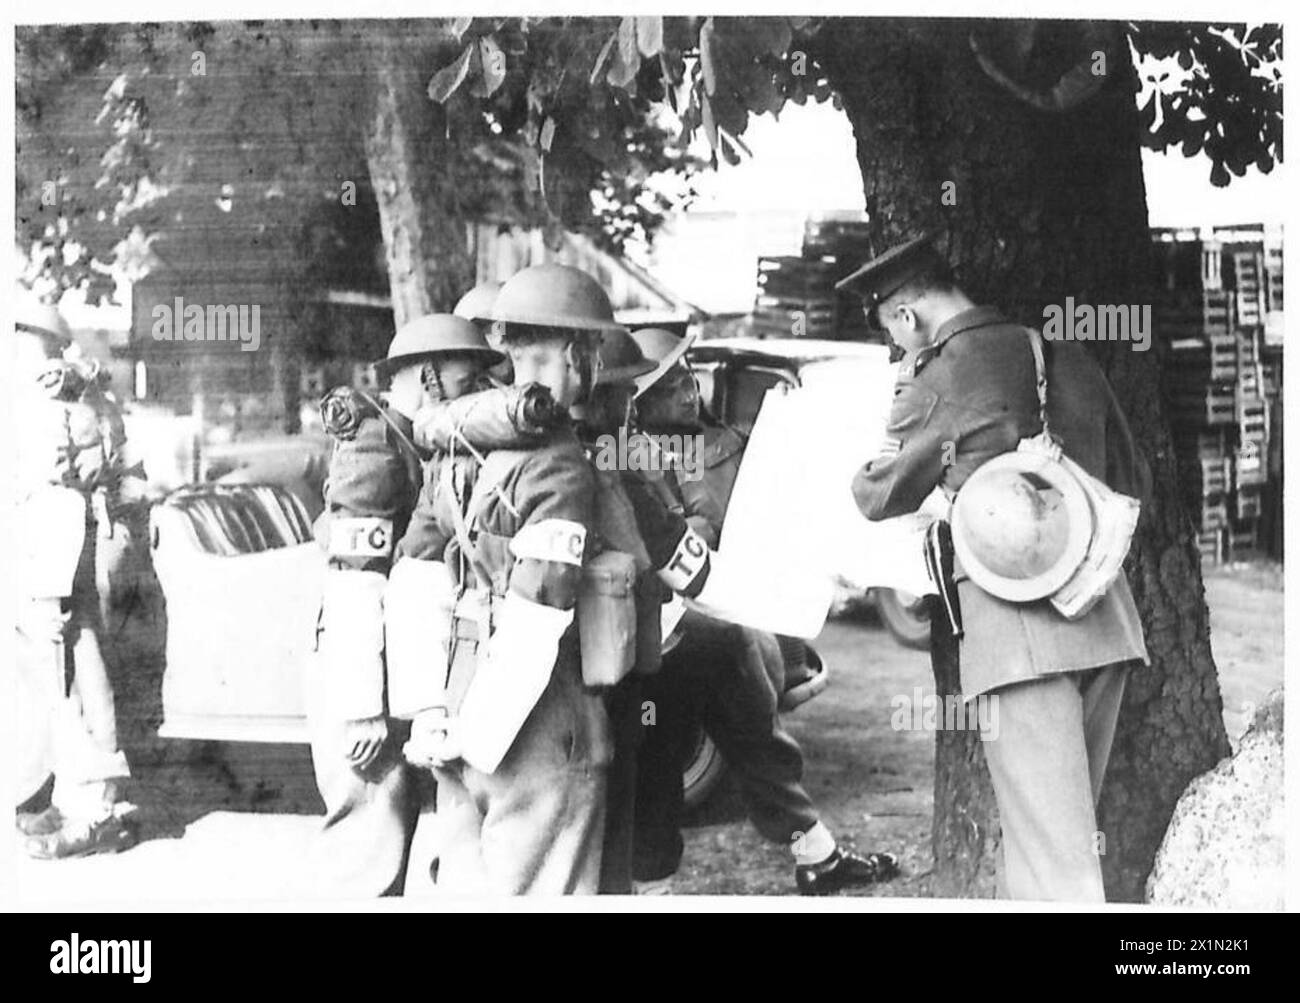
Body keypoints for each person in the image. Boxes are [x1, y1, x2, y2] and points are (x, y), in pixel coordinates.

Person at [840, 233, 1150, 902]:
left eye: (896, 337)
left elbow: (876, 493)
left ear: (905, 315)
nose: (901, 350)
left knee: (1054, 869)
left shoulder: (940, 374)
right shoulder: (1064, 354)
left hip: (1020, 642)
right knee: (1063, 840)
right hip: (1106, 625)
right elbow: (1132, 479)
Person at [628, 327, 899, 895]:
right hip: (634, 629)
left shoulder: (704, 447)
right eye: (672, 383)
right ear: (641, 398)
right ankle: (802, 854)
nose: (689, 391)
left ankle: (811, 853)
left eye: (687, 379)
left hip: (679, 625)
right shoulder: (624, 456)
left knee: (717, 695)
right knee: (681, 721)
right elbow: (675, 551)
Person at [388, 264, 614, 895]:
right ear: (579, 354)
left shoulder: (461, 449)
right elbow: (538, 611)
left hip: (455, 705)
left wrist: (431, 715)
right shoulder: (562, 469)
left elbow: (414, 574)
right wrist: (480, 737)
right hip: (535, 729)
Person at [311, 312, 502, 895]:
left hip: (403, 670)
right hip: (363, 670)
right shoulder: (376, 441)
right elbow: (354, 579)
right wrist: (362, 704)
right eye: (468, 384)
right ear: (427, 377)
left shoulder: (418, 438)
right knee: (366, 858)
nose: (476, 399)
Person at [14, 296, 137, 859]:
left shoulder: (44, 396)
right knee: (62, 668)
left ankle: (93, 811)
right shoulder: (78, 392)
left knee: (67, 666)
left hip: (51, 541)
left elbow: (42, 474)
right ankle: (68, 799)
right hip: (67, 536)